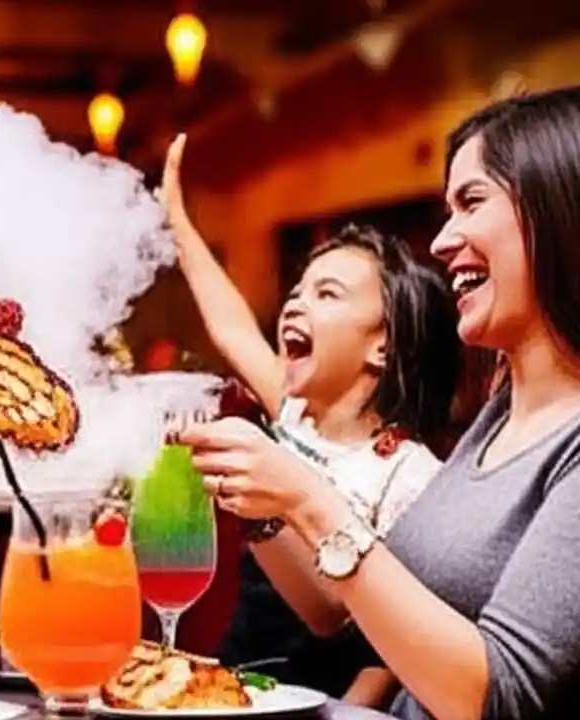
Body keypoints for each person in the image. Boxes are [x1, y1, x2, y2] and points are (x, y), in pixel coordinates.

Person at [182, 86, 580, 718]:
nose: (445, 240)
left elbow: (499, 697)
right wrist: (271, 505)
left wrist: (310, 502)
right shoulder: (502, 413)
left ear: (556, 209)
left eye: (472, 202)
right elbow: (354, 625)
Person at [157, 134, 462, 703]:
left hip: (321, 695)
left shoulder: (408, 475)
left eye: (328, 294)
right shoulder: (295, 414)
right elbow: (231, 326)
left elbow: (377, 651)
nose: (296, 303)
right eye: (297, 291)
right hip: (242, 677)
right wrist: (176, 218)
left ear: (383, 348)